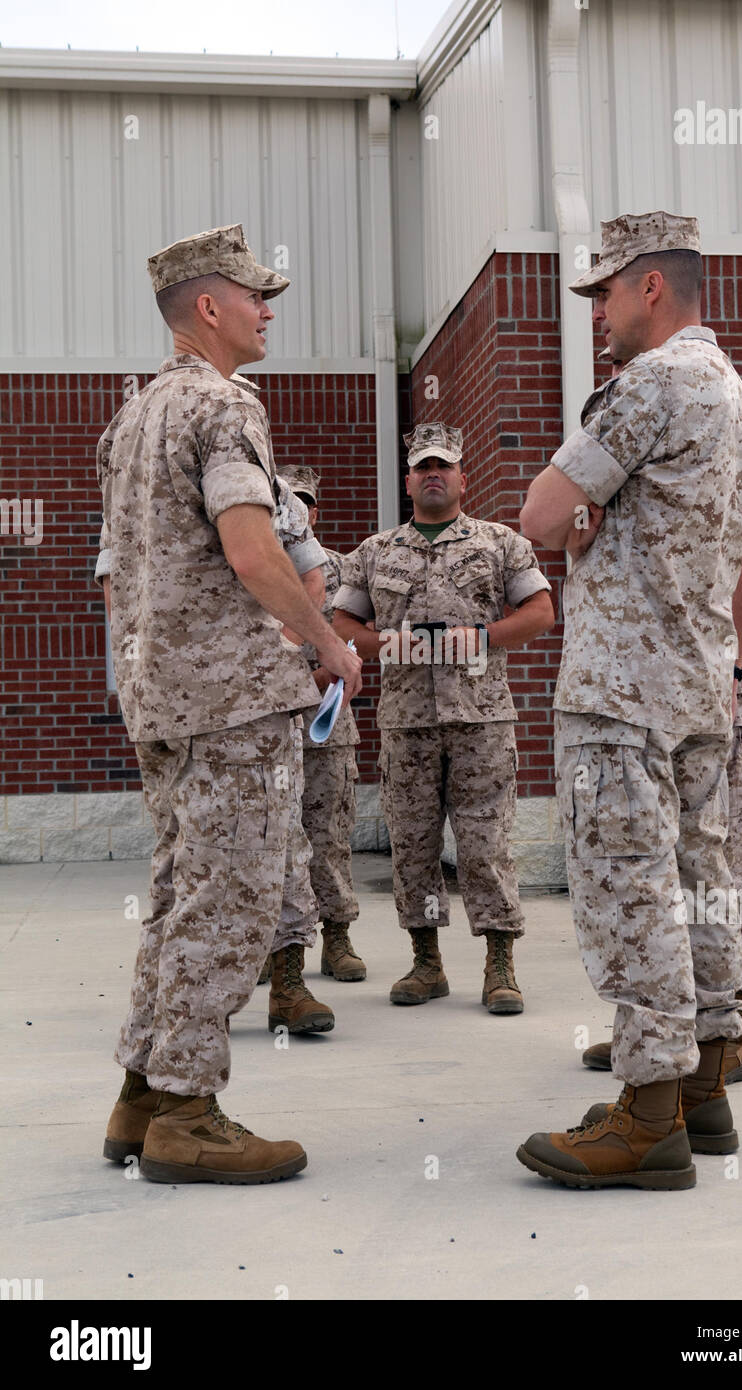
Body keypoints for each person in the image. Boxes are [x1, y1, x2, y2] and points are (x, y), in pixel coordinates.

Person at [98, 223, 362, 1185]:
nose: (269, 310)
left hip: (162, 697)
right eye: (256, 296)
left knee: (177, 895)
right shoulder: (221, 407)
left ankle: (141, 1094)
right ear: (208, 308)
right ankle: (188, 1117)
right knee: (234, 899)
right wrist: (327, 643)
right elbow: (253, 549)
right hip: (231, 701)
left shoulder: (131, 420)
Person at [517, 210, 742, 1190]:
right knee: (701, 876)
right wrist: (737, 657)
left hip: (624, 689)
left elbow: (541, 513)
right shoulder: (736, 396)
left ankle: (645, 1114)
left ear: (649, 286)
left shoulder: (651, 384)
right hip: (703, 678)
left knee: (628, 885)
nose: (597, 314)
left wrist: (581, 515)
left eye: (604, 293)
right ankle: (702, 1090)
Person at [332, 423, 555, 1013]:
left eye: (444, 466)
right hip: (407, 724)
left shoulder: (500, 543)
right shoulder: (375, 552)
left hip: (482, 721)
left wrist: (480, 635)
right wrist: (388, 644)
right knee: (413, 844)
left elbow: (540, 612)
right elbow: (342, 626)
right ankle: (426, 962)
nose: (434, 475)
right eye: (423, 467)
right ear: (408, 481)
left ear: (462, 477)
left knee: (486, 844)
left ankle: (500, 964)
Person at [259, 465, 366, 1035]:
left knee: (326, 835)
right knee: (270, 836)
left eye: (304, 503)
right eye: (289, 499)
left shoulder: (338, 572)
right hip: (265, 714)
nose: (296, 510)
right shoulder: (249, 562)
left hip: (324, 722)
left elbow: (355, 637)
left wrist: (341, 670)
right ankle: (265, 951)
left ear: (312, 514)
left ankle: (337, 937)